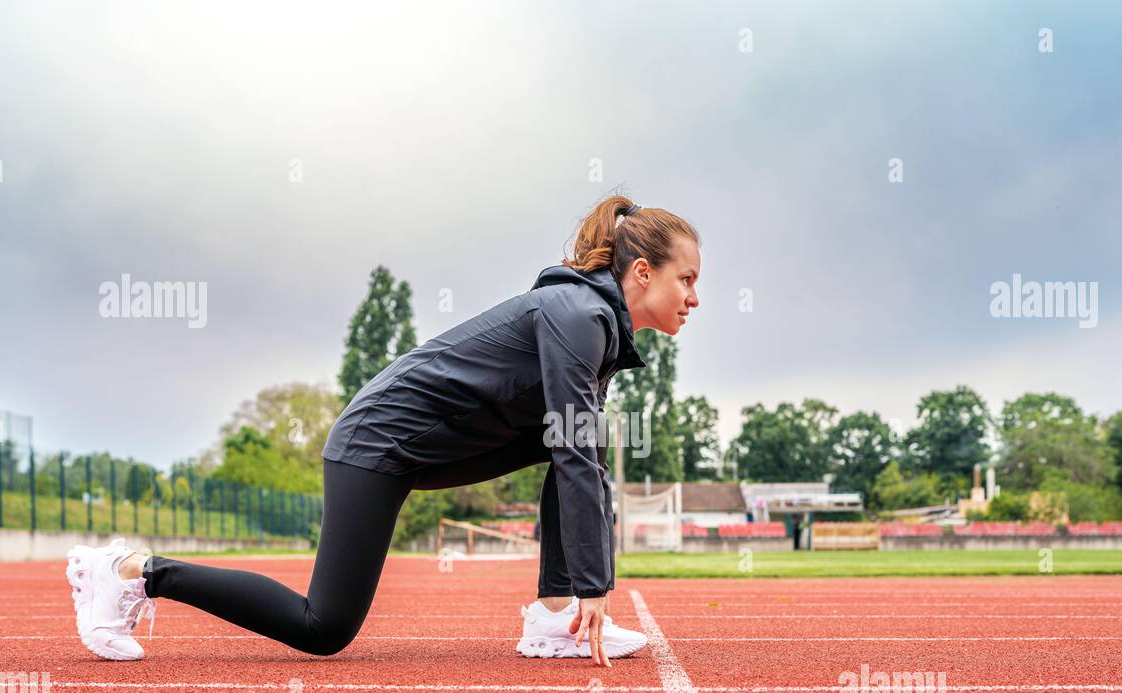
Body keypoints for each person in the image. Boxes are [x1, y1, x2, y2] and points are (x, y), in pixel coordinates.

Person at [65, 195, 701, 668]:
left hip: (425, 444)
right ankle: (131, 571)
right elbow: (572, 448)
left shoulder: (597, 324)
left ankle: (551, 619)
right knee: (323, 628)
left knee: (575, 444)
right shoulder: (579, 314)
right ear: (641, 273)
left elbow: (571, 445)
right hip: (376, 441)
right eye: (688, 279)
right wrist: (597, 582)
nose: (694, 297)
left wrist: (584, 582)